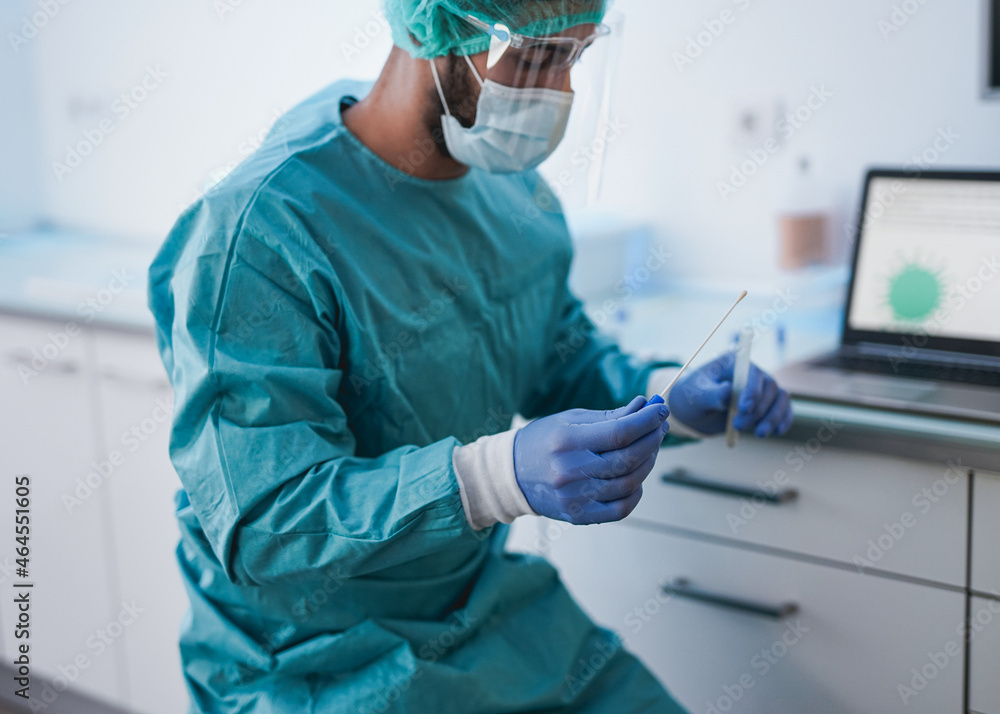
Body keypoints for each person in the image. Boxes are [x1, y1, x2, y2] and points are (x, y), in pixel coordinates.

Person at [148, 0, 794, 711]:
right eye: (541, 57)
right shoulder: (263, 232)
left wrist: (670, 396)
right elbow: (266, 519)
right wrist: (492, 478)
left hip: (485, 616)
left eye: (575, 58)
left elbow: (557, 357)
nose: (560, 93)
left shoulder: (514, 195)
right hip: (316, 656)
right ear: (442, 28)